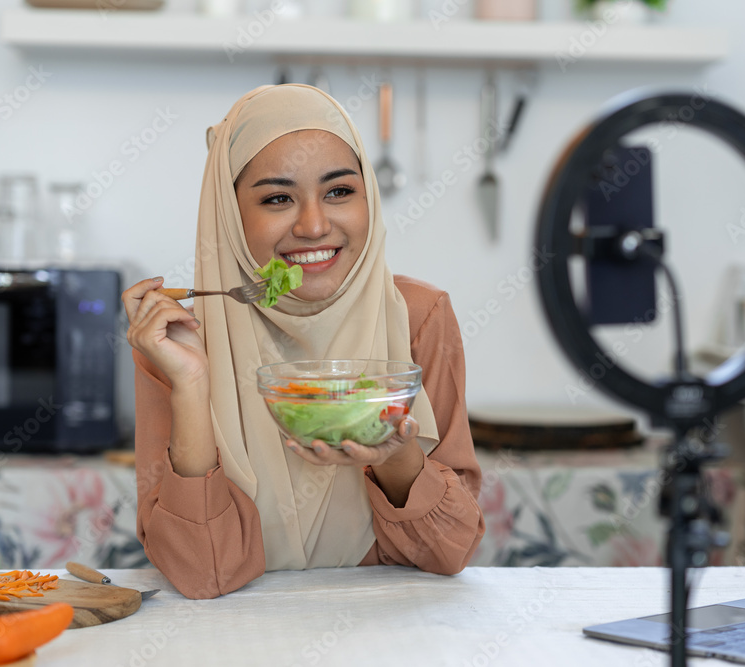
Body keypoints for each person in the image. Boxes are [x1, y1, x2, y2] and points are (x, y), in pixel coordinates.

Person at [122, 83, 485, 599]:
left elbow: (451, 551)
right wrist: (192, 385)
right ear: (229, 214)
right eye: (277, 198)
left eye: (339, 191)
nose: (314, 226)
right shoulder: (179, 344)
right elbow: (202, 574)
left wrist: (394, 456)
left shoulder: (420, 317)